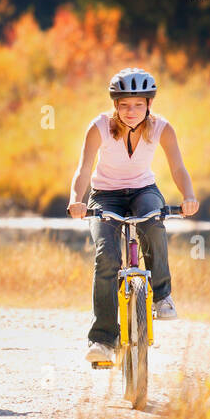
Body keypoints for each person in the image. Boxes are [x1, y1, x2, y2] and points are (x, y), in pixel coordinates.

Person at [67, 67, 199, 365]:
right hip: (105, 196)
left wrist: (188, 196)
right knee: (107, 258)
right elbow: (84, 169)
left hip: (143, 190)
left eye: (138, 104)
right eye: (124, 104)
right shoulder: (98, 126)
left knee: (153, 223)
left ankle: (162, 294)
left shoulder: (161, 128)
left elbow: (178, 167)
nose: (131, 111)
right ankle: (102, 340)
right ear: (115, 104)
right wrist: (77, 200)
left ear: (149, 104)